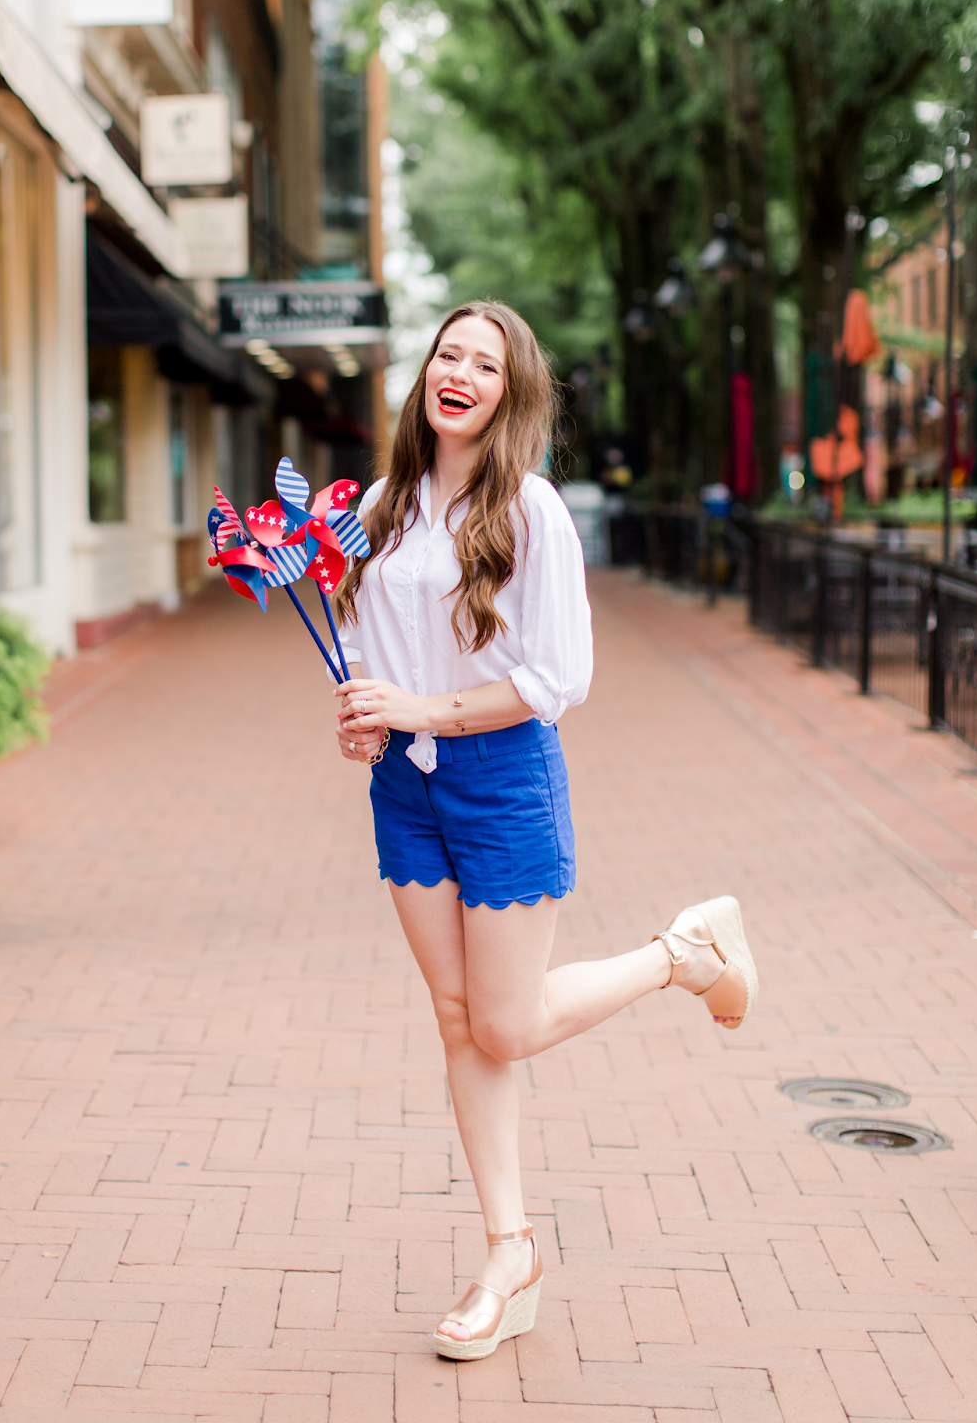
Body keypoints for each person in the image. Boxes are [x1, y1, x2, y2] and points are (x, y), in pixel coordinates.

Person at [331, 301, 758, 1362]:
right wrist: (363, 715)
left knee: (507, 1024)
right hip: (404, 788)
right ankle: (508, 1252)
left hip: (503, 780)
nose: (460, 373)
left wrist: (422, 709)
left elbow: (556, 679)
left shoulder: (530, 510)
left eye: (485, 364)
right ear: (425, 374)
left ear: (510, 393)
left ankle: (682, 954)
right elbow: (368, 648)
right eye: (448, 354)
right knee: (457, 1018)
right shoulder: (380, 508)